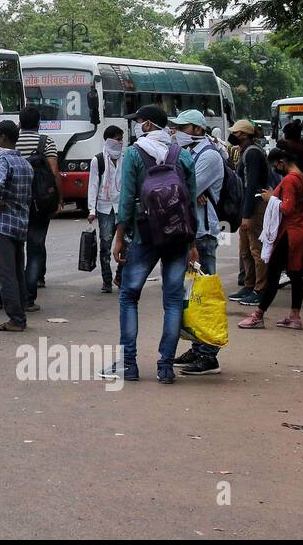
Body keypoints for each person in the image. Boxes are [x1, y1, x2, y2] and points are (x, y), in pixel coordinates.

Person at [104, 104, 198, 384]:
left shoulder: (134, 154)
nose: (136, 126)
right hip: (178, 236)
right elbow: (191, 204)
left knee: (129, 296)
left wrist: (119, 237)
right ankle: (166, 367)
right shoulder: (182, 157)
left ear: (147, 125)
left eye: (139, 121)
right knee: (172, 300)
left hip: (145, 235)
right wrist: (192, 243)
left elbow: (126, 200)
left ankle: (129, 365)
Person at [168, 111, 226, 376]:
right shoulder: (189, 153)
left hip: (203, 233)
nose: (176, 131)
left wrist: (193, 191)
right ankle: (198, 346)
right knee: (191, 296)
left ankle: (208, 354)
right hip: (191, 230)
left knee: (205, 295)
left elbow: (182, 188)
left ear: (196, 128)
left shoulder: (209, 155)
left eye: (181, 127)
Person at [239, 146, 303, 330]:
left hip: (289, 232)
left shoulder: (290, 180)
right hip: (299, 230)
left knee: (272, 275)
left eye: (275, 165)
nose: (275, 169)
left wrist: (270, 198)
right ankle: (294, 316)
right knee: (295, 275)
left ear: (281, 162)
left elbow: (286, 208)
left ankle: (258, 315)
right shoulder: (301, 176)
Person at [0, 120, 33, 333]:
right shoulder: (25, 163)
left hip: (5, 223)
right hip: (21, 223)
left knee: (5, 273)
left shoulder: (3, 159)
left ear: (3, 137)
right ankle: (20, 312)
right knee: (17, 271)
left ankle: (15, 318)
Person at [17, 105, 60, 311]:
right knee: (35, 248)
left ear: (20, 122)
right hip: (40, 203)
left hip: (16, 202)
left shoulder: (11, 140)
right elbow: (54, 172)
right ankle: (29, 295)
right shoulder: (46, 142)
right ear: (39, 123)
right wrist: (58, 200)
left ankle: (5, 292)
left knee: (14, 249)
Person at [228, 119, 270, 307]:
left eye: (236, 133)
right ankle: (249, 284)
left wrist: (246, 214)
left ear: (243, 134)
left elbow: (251, 185)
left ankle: (260, 290)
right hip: (248, 205)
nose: (232, 136)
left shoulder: (252, 153)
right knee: (245, 250)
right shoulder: (246, 151)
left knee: (256, 250)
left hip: (254, 207)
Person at [87, 125, 125, 294]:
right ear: (109, 140)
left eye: (121, 139)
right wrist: (91, 210)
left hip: (122, 207)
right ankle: (107, 280)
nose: (120, 142)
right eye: (117, 139)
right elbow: (93, 185)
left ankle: (120, 276)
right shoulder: (98, 160)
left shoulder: (125, 158)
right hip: (105, 207)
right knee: (105, 245)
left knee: (126, 245)